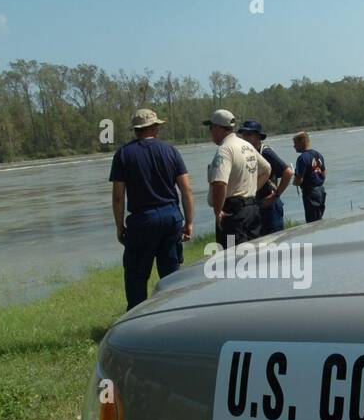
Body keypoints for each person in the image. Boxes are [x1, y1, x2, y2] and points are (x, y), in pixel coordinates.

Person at [109, 108, 194, 310]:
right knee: (171, 274)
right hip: (170, 217)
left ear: (136, 130)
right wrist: (189, 222)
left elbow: (118, 196)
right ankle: (175, 313)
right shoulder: (171, 151)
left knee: (136, 276)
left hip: (142, 221)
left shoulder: (123, 155)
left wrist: (119, 226)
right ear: (155, 128)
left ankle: (137, 319)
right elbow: (186, 189)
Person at [204, 108, 270, 247]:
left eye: (210, 128)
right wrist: (251, 190)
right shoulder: (246, 145)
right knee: (254, 256)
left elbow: (220, 184)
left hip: (233, 214)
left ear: (218, 128)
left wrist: (218, 211)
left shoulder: (225, 150)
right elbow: (266, 170)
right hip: (252, 210)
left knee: (233, 259)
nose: (210, 132)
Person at [237, 119, 293, 236]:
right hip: (258, 205)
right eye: (243, 134)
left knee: (275, 242)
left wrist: (275, 196)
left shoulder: (265, 152)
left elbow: (288, 172)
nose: (244, 137)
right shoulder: (249, 153)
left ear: (258, 136)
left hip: (270, 205)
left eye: (249, 134)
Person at [292, 131, 327, 222]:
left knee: (312, 221)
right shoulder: (318, 154)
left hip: (310, 192)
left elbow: (299, 179)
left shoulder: (302, 158)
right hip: (321, 190)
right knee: (319, 217)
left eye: (295, 143)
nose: (294, 146)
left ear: (302, 142)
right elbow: (323, 172)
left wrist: (294, 182)